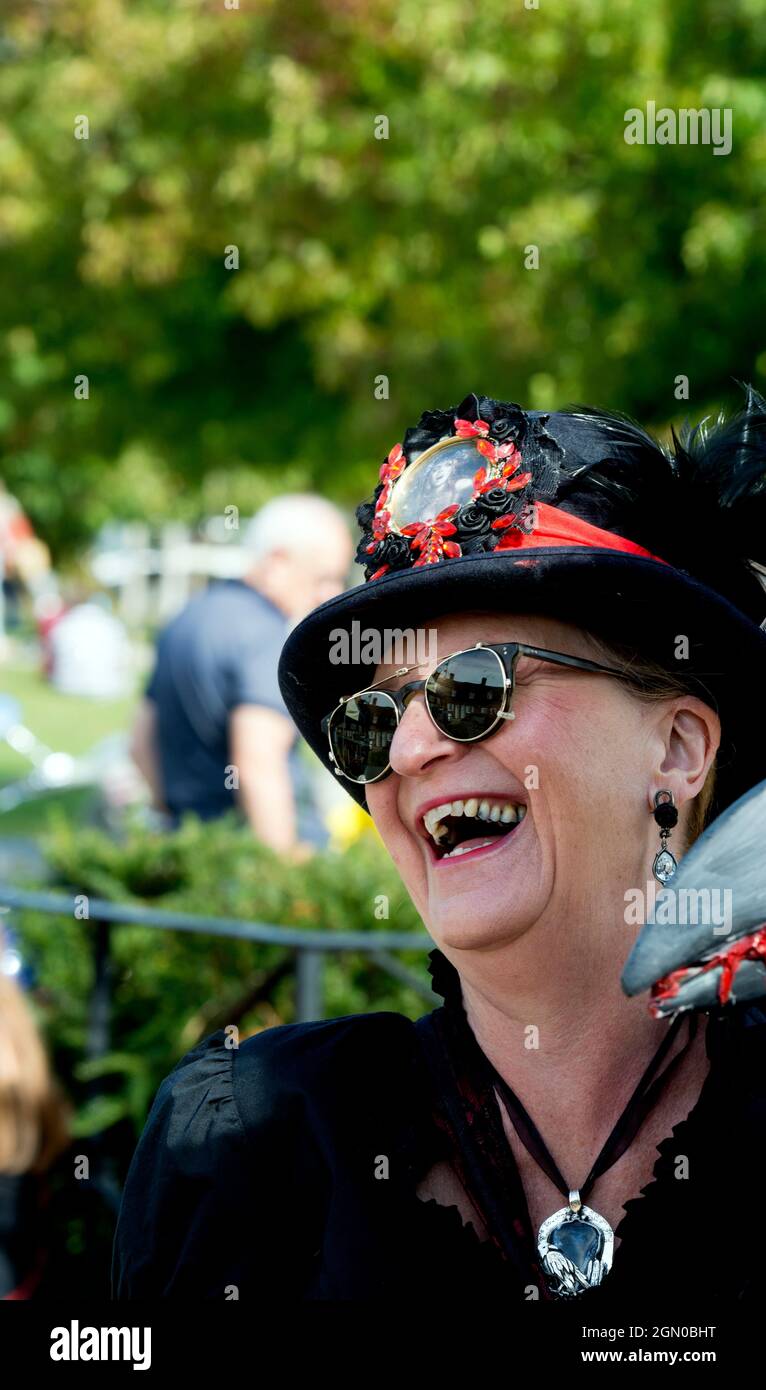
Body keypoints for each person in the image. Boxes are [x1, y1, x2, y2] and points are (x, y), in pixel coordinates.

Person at [112, 389, 766, 1303]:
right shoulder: (248, 1143)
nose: (412, 751)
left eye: (475, 685)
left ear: (678, 747)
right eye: (371, 720)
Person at [129, 494, 352, 853]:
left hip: (192, 845)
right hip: (251, 859)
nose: (332, 593)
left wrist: (174, 823)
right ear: (278, 561)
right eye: (325, 577)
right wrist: (282, 873)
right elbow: (257, 764)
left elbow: (140, 743)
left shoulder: (187, 617)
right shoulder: (265, 633)